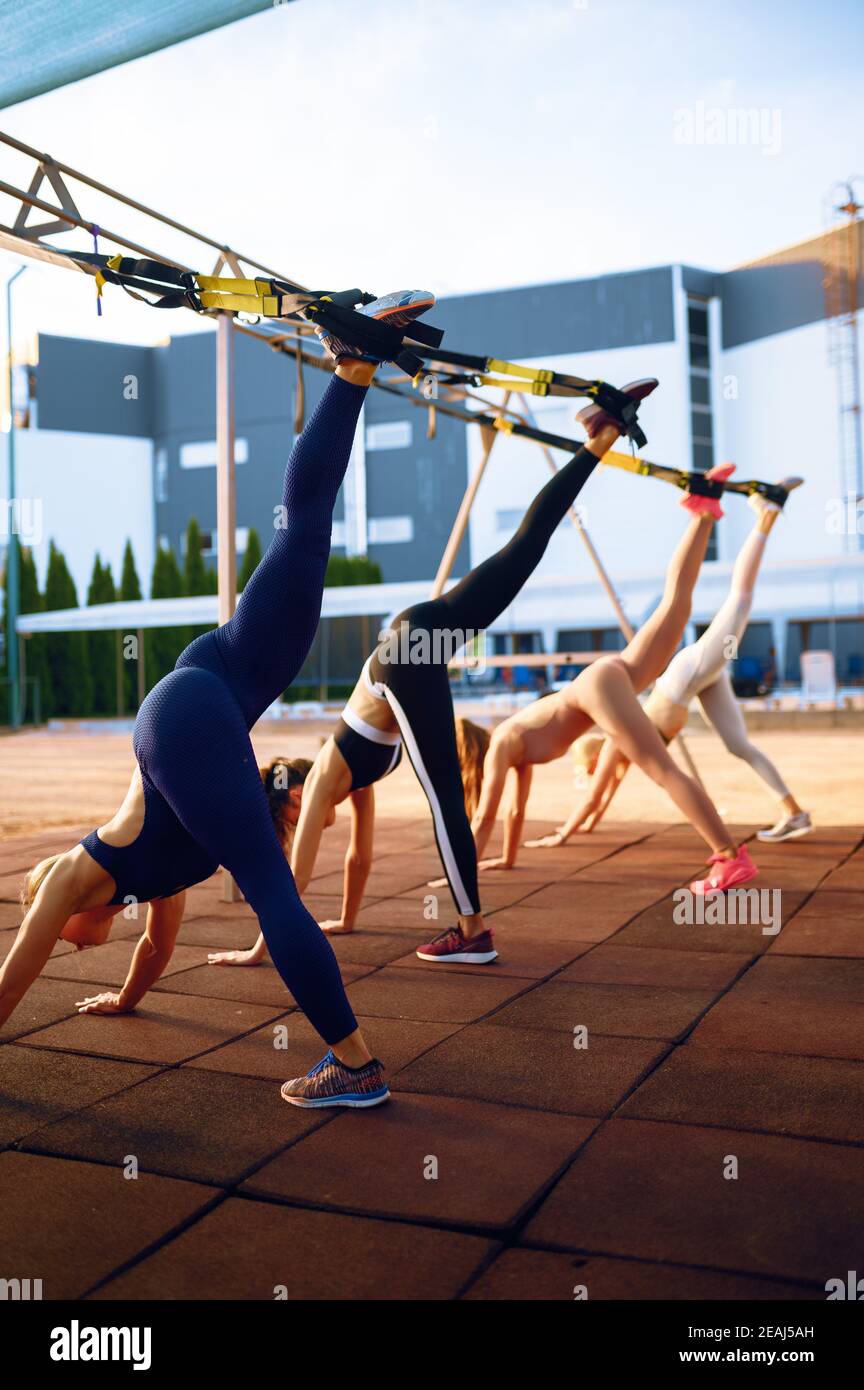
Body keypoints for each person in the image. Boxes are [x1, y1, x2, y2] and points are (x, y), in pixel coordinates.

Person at [0, 289, 439, 1110]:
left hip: (183, 714)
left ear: (51, 912)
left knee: (272, 891)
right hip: (221, 683)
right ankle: (355, 365)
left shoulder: (69, 874)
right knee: (304, 536)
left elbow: (7, 983)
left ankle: (354, 1064)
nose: (73, 950)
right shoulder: (146, 892)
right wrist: (126, 1002)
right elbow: (155, 957)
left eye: (62, 943)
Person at [209, 377, 660, 968]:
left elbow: (293, 878)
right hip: (422, 634)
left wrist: (258, 948)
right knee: (525, 549)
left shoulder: (323, 777)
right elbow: (358, 861)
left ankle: (472, 929)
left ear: (291, 791)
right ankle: (603, 435)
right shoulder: (354, 780)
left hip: (406, 651)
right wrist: (345, 919)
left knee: (444, 795)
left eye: (292, 814)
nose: (305, 817)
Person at [469, 401, 762, 897]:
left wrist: (459, 876)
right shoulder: (514, 742)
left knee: (662, 770)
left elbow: (484, 817)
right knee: (675, 610)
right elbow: (512, 814)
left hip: (595, 688)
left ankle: (729, 858)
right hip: (605, 680)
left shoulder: (501, 744)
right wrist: (505, 861)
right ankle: (704, 514)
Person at [533, 482, 809, 844]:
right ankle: (794, 812)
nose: (588, 775)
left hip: (687, 675)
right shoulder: (621, 753)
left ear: (595, 756)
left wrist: (563, 835)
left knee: (740, 600)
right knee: (737, 745)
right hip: (700, 681)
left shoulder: (618, 740)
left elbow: (594, 796)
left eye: (587, 768)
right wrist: (585, 825)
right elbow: (601, 799)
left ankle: (766, 515)